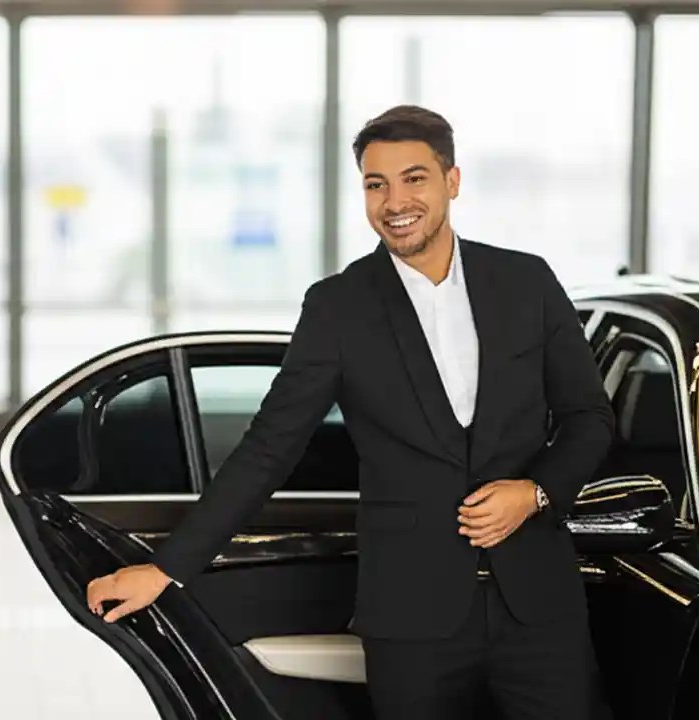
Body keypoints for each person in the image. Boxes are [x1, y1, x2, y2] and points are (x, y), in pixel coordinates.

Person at [85, 104, 615, 720]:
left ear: (452, 181)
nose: (395, 201)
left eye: (414, 178)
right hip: (412, 620)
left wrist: (536, 493)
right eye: (375, 184)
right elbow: (268, 449)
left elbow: (589, 418)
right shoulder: (338, 307)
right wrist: (165, 568)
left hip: (539, 611)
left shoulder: (528, 282)